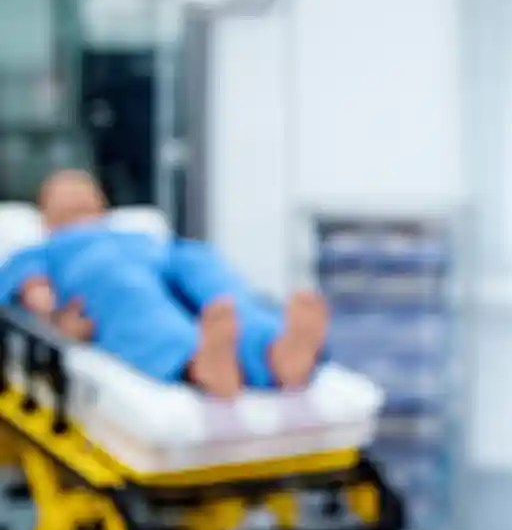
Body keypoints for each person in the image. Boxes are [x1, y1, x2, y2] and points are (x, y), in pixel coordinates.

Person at [0, 170, 328, 398]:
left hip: (158, 257)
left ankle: (277, 352)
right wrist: (56, 325)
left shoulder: (139, 234)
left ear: (102, 205)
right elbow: (37, 299)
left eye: (84, 191)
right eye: (63, 192)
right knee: (131, 294)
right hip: (98, 273)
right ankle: (199, 364)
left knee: (204, 269)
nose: (75, 195)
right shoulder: (39, 251)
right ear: (45, 217)